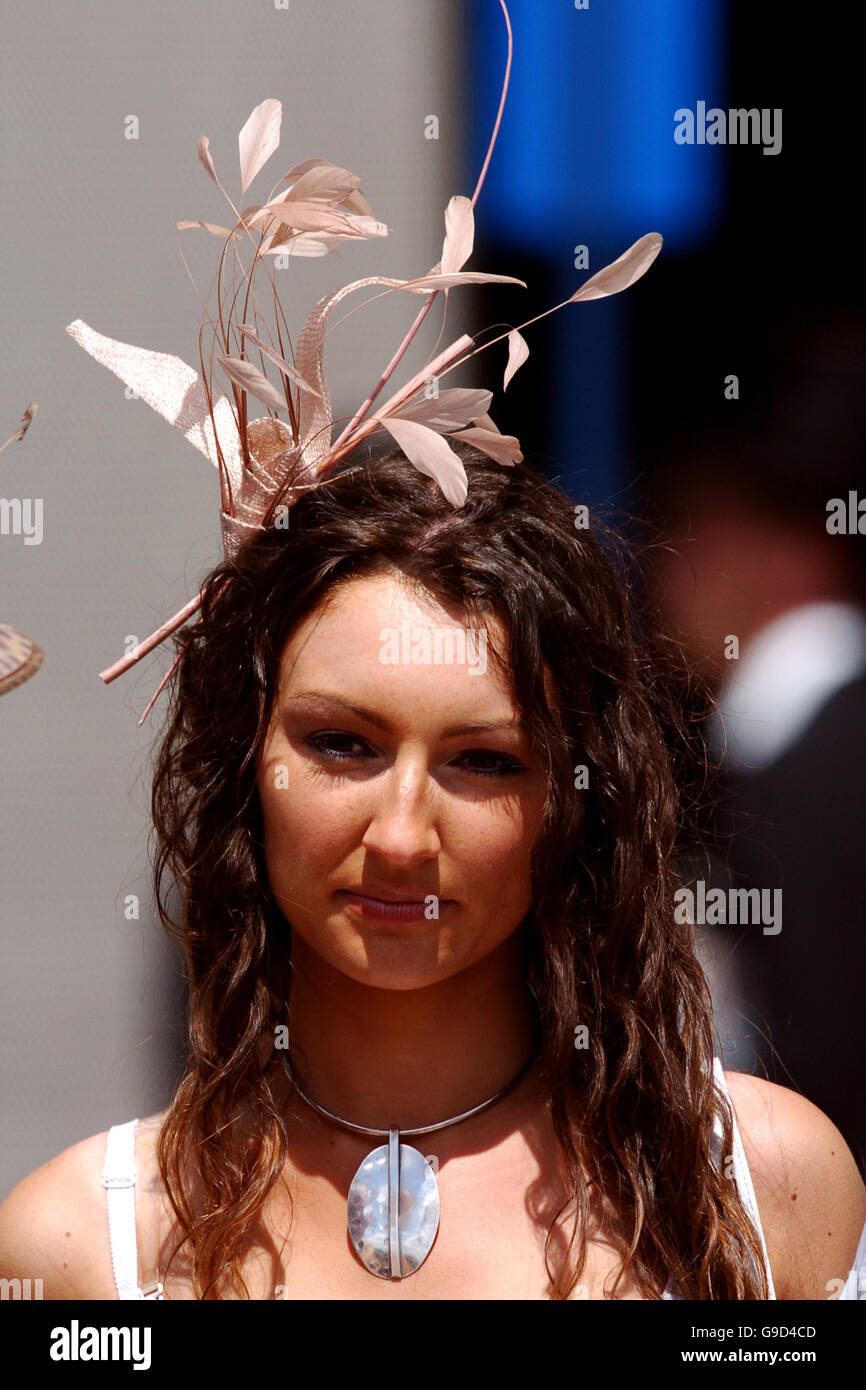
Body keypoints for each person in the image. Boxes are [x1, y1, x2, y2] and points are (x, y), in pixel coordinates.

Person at [1, 441, 865, 1300]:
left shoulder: (756, 1190)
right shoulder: (84, 1247)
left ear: (575, 801)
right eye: (342, 744)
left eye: (484, 761)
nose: (404, 836)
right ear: (244, 763)